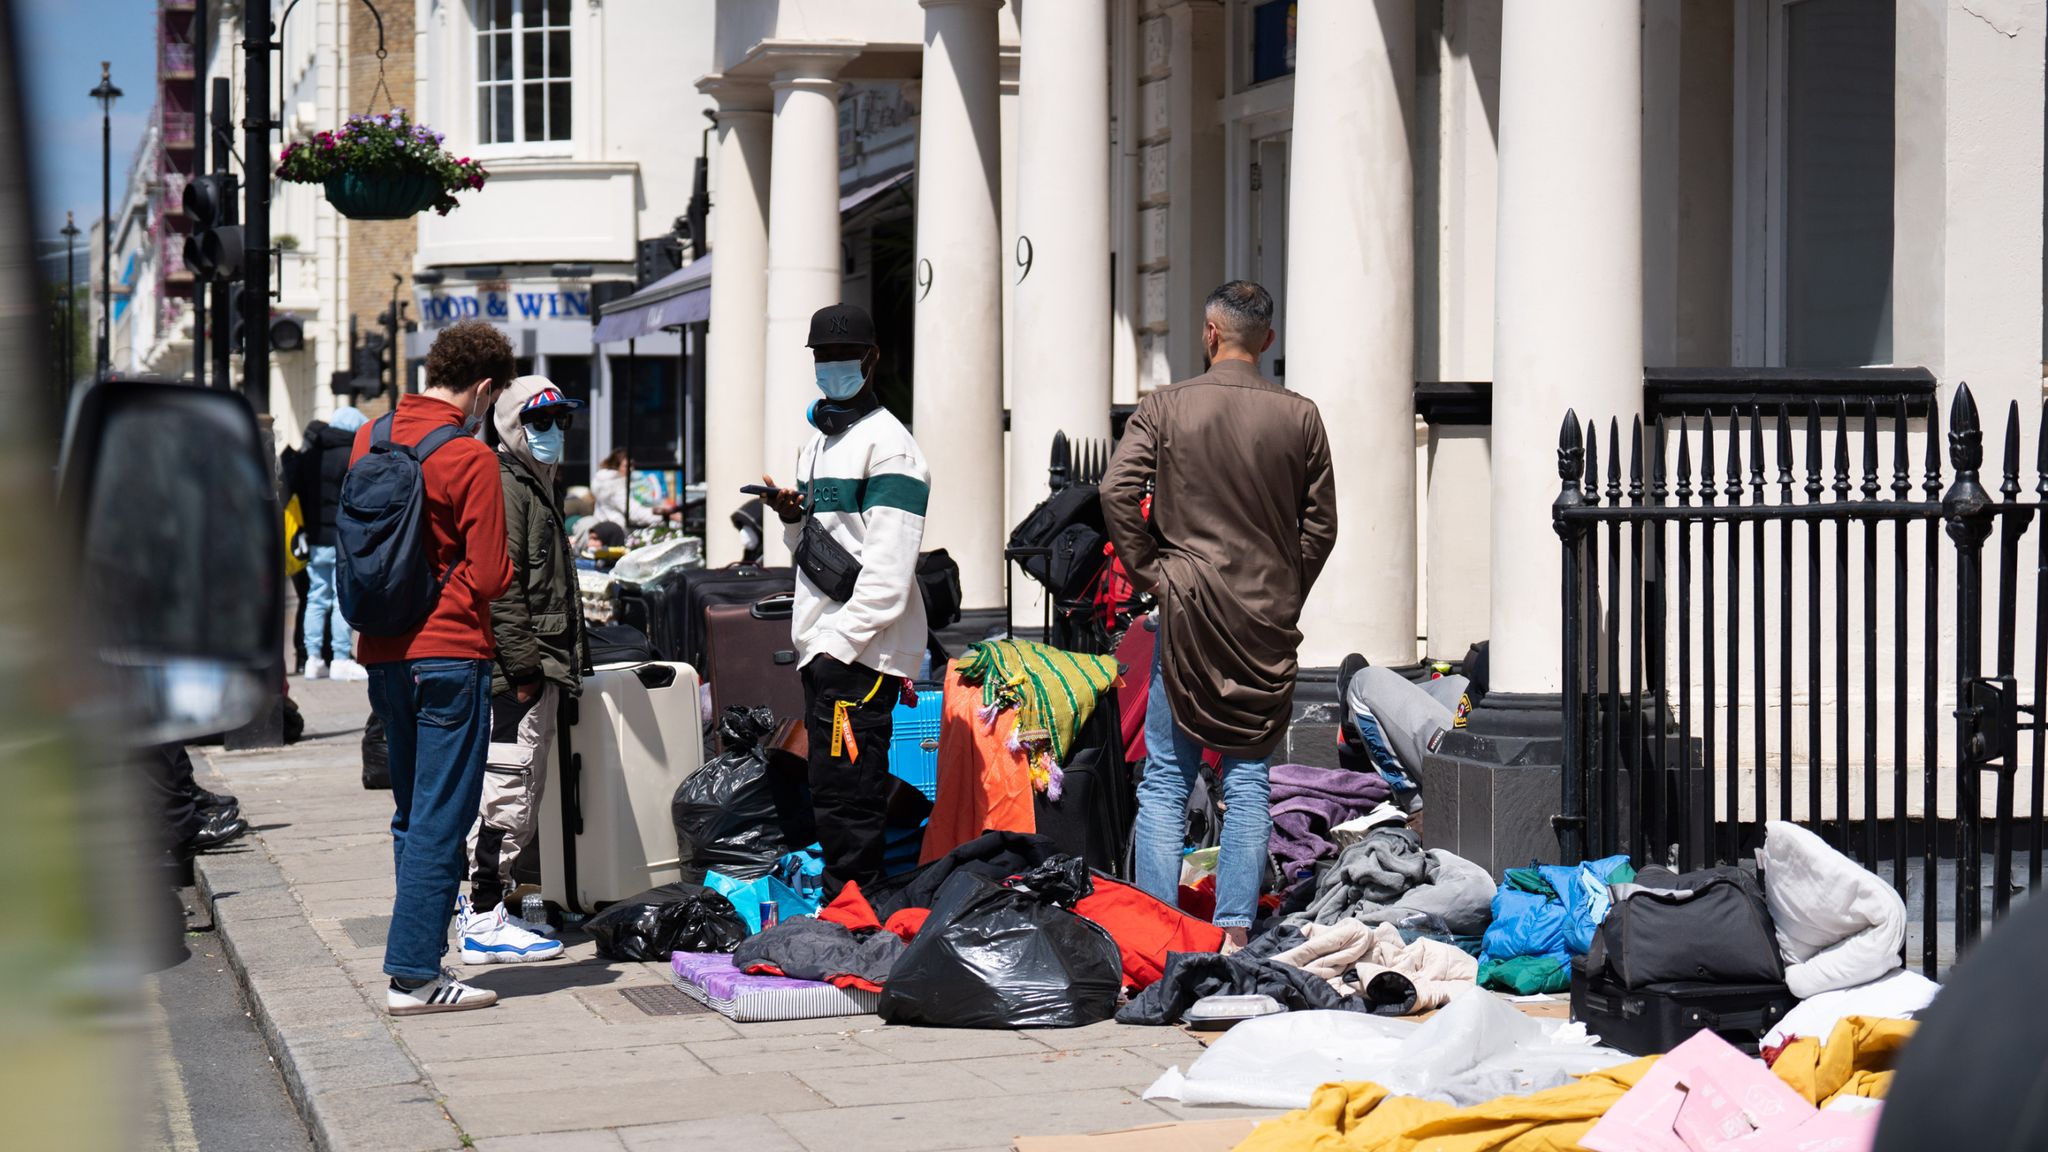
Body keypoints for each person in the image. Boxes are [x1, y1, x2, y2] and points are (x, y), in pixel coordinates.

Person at [1100, 280, 1338, 947]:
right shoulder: (1299, 414)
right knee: (1249, 781)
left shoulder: (1166, 406)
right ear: (1267, 339)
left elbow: (1116, 491)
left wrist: (1156, 573)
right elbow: (1322, 526)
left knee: (1166, 782)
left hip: (1188, 608)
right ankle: (1233, 931)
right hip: (1262, 616)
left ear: (1210, 333)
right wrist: (1282, 585)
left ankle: (1157, 929)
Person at [349, 319, 518, 1016]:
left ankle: (420, 959)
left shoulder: (372, 436)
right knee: (443, 818)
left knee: (412, 813)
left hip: (384, 651)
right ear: (482, 386)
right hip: (449, 652)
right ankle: (415, 973)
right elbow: (491, 576)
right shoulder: (470, 458)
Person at [759, 303, 930, 899]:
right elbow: (823, 544)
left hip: (860, 653)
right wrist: (791, 519)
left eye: (841, 355)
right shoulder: (818, 446)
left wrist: (838, 649)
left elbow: (888, 572)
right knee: (832, 791)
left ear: (872, 358)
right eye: (822, 356)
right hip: (824, 647)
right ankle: (846, 914)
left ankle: (854, 923)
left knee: (851, 795)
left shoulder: (892, 448)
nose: (831, 365)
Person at [456, 377, 587, 962]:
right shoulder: (507, 486)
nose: (554, 433)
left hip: (533, 667)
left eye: (562, 421)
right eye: (541, 422)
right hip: (518, 674)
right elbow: (500, 587)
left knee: (515, 786)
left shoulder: (535, 485)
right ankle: (483, 916)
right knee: (508, 786)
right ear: (510, 425)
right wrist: (527, 667)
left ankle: (488, 908)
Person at [293, 402, 371, 680]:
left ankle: (313, 658)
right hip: (342, 537)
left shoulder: (311, 454)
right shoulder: (352, 455)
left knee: (316, 595)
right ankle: (340, 657)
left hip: (314, 537)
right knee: (341, 598)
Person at [589, 447, 677, 535]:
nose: (631, 469)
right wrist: (666, 517)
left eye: (632, 465)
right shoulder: (615, 487)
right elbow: (634, 512)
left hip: (605, 530)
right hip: (618, 533)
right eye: (627, 466)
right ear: (616, 466)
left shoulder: (607, 482)